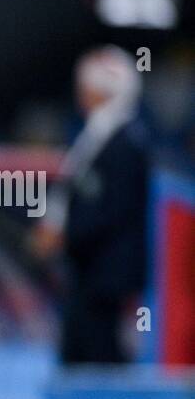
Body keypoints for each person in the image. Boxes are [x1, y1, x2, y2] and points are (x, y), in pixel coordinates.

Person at [35, 46, 150, 364]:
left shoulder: (125, 144)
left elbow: (112, 210)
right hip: (88, 278)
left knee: (100, 363)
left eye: (87, 87)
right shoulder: (95, 139)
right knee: (77, 359)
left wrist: (64, 235)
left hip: (106, 283)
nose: (81, 94)